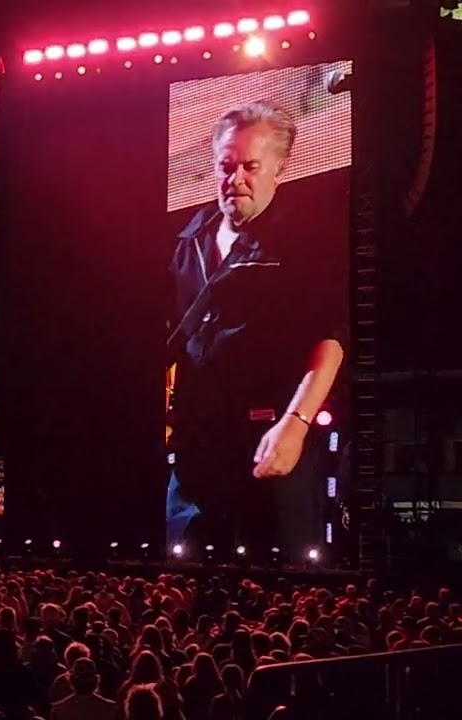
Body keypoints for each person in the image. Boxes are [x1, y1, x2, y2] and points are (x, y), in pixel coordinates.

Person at [165, 101, 345, 555]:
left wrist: (296, 424)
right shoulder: (190, 241)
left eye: (251, 166)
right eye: (226, 166)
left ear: (279, 170)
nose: (236, 178)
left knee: (278, 580)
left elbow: (331, 339)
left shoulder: (302, 243)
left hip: (269, 440)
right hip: (198, 448)